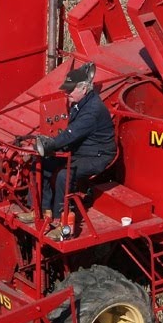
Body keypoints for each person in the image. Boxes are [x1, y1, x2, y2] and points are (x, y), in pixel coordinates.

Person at [20, 63, 117, 240]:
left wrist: (46, 145)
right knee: (42, 163)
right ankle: (41, 210)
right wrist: (44, 149)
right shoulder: (79, 102)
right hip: (82, 147)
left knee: (65, 176)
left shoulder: (92, 111)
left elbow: (70, 135)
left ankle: (61, 221)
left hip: (97, 154)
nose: (67, 94)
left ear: (84, 88)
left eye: (71, 91)